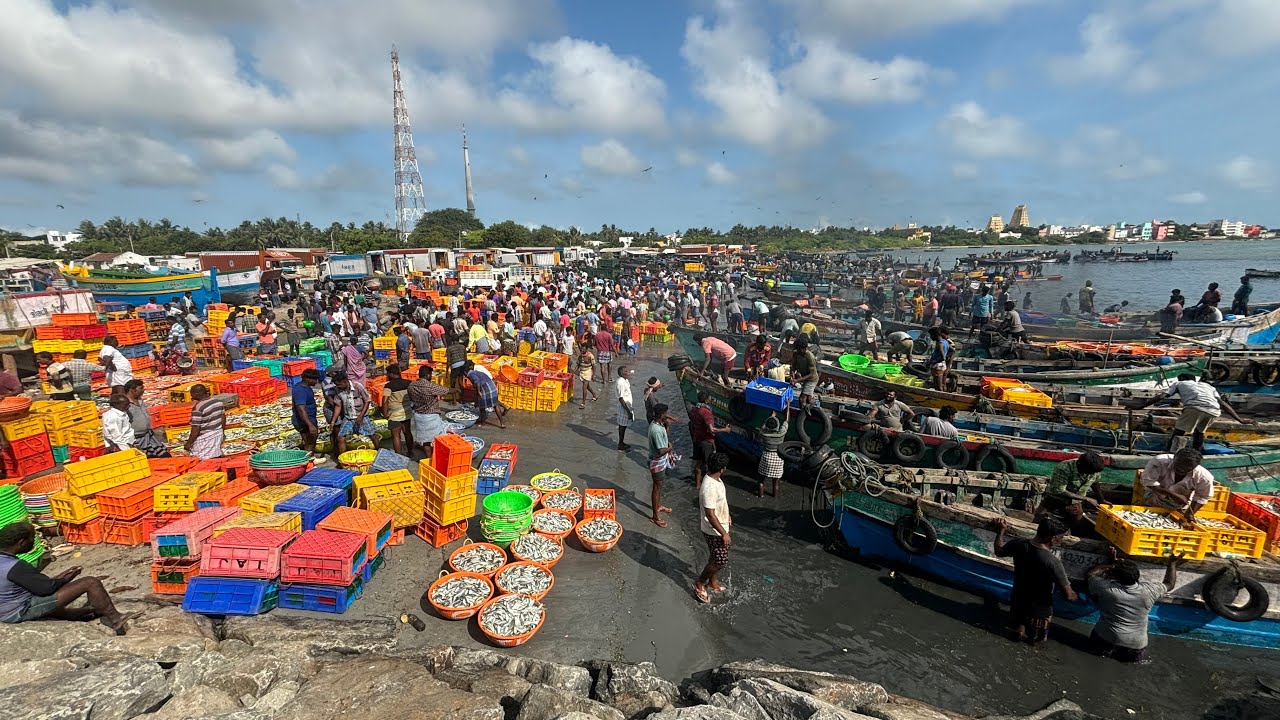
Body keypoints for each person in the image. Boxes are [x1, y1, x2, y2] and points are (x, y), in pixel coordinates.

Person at [0, 522, 136, 633]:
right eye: (31, 540)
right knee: (90, 582)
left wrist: (60, 578)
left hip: (5, 608)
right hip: (16, 611)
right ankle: (115, 619)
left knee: (60, 602)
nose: (33, 544)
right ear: (22, 542)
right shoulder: (16, 566)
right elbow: (45, 589)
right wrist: (66, 578)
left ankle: (84, 613)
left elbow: (34, 583)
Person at [993, 516, 1078, 645]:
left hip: (1017, 600)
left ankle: (1019, 632)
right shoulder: (1052, 562)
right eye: (1061, 537)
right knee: (1035, 642)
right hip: (1039, 611)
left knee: (1017, 630)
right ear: (1052, 538)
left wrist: (1000, 531)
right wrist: (1076, 595)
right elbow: (1069, 596)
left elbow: (999, 551)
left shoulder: (1019, 544)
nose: (1061, 540)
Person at [1086, 551, 1179, 663]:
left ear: (1115, 577)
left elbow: (1091, 574)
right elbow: (1170, 583)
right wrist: (1172, 563)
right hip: (1135, 645)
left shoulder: (1107, 589)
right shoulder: (1150, 591)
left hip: (1106, 638)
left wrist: (1112, 565)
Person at [1135, 373, 1252, 451]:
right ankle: (1196, 454)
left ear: (1180, 379)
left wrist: (1141, 406)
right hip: (1214, 410)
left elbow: (1161, 396)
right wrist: (1240, 419)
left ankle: (1168, 453)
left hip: (1195, 407)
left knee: (1179, 431)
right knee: (1199, 433)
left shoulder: (1179, 383)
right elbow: (1222, 403)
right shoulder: (1208, 386)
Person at [693, 452, 732, 604]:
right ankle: (700, 583)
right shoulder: (709, 487)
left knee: (714, 555)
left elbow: (720, 503)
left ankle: (712, 582)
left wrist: (727, 515)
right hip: (714, 530)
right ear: (722, 469)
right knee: (720, 560)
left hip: (720, 525)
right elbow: (710, 514)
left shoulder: (716, 479)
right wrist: (724, 534)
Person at [1038, 451, 1106, 534]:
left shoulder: (1094, 469)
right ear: (1081, 466)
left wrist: (1101, 499)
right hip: (1055, 498)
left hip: (1076, 501)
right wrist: (1086, 499)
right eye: (1090, 472)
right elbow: (1059, 490)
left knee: (1077, 523)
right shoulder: (1064, 468)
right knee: (1040, 520)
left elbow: (1095, 482)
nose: (1093, 474)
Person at [1139, 448, 1215, 519]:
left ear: (1195, 466)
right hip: (1153, 496)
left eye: (1187, 469)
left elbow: (1202, 497)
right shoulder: (1159, 462)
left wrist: (1189, 513)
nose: (1181, 470)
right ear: (1174, 458)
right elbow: (1148, 481)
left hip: (1180, 505)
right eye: (1178, 466)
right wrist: (1172, 494)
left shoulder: (1204, 477)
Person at [325, 371, 373, 462]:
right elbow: (338, 406)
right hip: (348, 417)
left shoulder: (357, 386)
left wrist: (361, 416)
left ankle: (377, 452)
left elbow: (367, 401)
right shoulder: (338, 390)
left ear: (345, 381)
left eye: (339, 384)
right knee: (340, 438)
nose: (337, 387)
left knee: (372, 435)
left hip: (362, 415)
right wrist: (333, 421)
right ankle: (344, 459)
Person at [646, 402, 677, 528]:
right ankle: (655, 516)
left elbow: (663, 439)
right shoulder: (656, 430)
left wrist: (667, 426)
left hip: (660, 460)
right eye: (666, 414)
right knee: (657, 488)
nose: (667, 415)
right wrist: (670, 448)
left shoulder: (657, 425)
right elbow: (661, 450)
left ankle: (658, 506)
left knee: (659, 486)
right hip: (657, 461)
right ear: (662, 414)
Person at [688, 390, 727, 486]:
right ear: (706, 400)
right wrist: (725, 429)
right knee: (710, 465)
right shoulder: (706, 412)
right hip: (706, 441)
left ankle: (697, 485)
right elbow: (712, 430)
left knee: (698, 463)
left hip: (697, 439)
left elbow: (691, 424)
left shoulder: (693, 410)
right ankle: (709, 485)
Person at [123, 379, 170, 458]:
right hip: (137, 438)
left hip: (149, 435)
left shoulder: (140, 400)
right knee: (149, 458)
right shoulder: (124, 403)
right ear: (132, 390)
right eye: (141, 388)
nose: (143, 390)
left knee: (165, 455)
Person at [408, 376, 451, 458]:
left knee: (425, 440)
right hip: (431, 417)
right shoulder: (429, 386)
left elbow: (411, 399)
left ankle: (429, 458)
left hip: (419, 416)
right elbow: (446, 390)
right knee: (438, 438)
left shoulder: (411, 386)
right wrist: (457, 390)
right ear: (427, 374)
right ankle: (437, 458)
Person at [185, 384, 225, 460]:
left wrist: (189, 443)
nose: (191, 396)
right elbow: (223, 418)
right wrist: (222, 432)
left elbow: (196, 428)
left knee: (202, 458)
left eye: (192, 393)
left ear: (197, 393)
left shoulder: (198, 408)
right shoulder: (218, 402)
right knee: (215, 455)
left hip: (206, 437)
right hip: (218, 433)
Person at [291, 368, 323, 460]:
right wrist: (310, 425)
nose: (316, 382)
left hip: (309, 418)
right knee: (309, 442)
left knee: (311, 440)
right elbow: (301, 409)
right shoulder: (300, 390)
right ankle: (308, 462)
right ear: (307, 379)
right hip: (304, 421)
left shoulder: (304, 387)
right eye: (315, 379)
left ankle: (311, 458)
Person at [464, 361, 507, 429]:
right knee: (495, 405)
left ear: (465, 372)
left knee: (482, 407)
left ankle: (482, 422)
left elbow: (477, 382)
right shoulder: (476, 371)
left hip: (486, 388)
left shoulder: (470, 374)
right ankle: (502, 423)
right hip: (492, 386)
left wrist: (478, 392)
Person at [381, 364, 412, 455]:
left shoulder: (389, 386)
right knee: (407, 433)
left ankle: (398, 456)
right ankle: (410, 452)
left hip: (394, 414)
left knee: (396, 436)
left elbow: (385, 401)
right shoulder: (408, 383)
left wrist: (385, 413)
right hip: (406, 412)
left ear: (390, 374)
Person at [757, 412, 788, 498]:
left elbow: (763, 427)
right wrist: (788, 404)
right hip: (778, 458)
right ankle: (775, 496)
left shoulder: (764, 433)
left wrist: (772, 415)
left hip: (766, 457)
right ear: (777, 426)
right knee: (775, 483)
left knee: (761, 481)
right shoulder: (781, 433)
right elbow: (787, 420)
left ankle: (760, 495)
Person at [790, 337, 819, 407]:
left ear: (804, 348)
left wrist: (797, 380)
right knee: (807, 398)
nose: (799, 351)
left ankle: (804, 413)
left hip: (811, 379)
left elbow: (811, 374)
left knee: (802, 399)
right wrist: (792, 374)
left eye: (800, 349)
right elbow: (793, 365)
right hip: (804, 377)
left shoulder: (810, 357)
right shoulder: (796, 353)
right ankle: (812, 404)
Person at [614, 366, 634, 451]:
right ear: (622, 373)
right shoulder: (620, 383)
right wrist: (628, 411)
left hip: (627, 405)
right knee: (622, 426)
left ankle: (621, 443)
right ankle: (620, 445)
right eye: (626, 371)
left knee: (624, 425)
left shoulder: (624, 380)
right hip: (624, 406)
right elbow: (621, 398)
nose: (628, 372)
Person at [926, 326, 951, 391]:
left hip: (938, 365)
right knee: (942, 384)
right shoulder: (945, 342)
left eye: (931, 335)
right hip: (942, 365)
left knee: (938, 386)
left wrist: (932, 362)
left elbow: (942, 357)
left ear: (935, 335)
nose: (931, 337)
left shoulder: (940, 344)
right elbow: (952, 351)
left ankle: (941, 398)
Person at [576, 341, 598, 407]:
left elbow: (594, 365)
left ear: (586, 349)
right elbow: (578, 365)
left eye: (583, 348)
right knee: (587, 386)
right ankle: (594, 395)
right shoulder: (580, 355)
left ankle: (583, 403)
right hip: (582, 372)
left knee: (584, 387)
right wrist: (573, 372)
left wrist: (593, 375)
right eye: (581, 348)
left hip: (588, 371)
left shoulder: (590, 356)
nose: (582, 349)